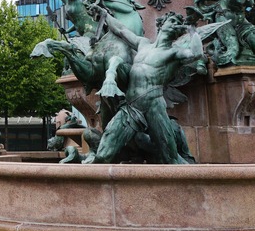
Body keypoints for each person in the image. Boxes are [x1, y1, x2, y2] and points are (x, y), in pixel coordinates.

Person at [84, 11, 206, 165]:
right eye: (172, 21)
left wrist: (192, 30)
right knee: (103, 155)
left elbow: (196, 54)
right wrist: (105, 15)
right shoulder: (143, 44)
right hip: (131, 107)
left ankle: (195, 177)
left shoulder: (173, 52)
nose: (175, 25)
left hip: (154, 107)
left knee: (170, 159)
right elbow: (121, 30)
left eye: (177, 24)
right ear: (162, 24)